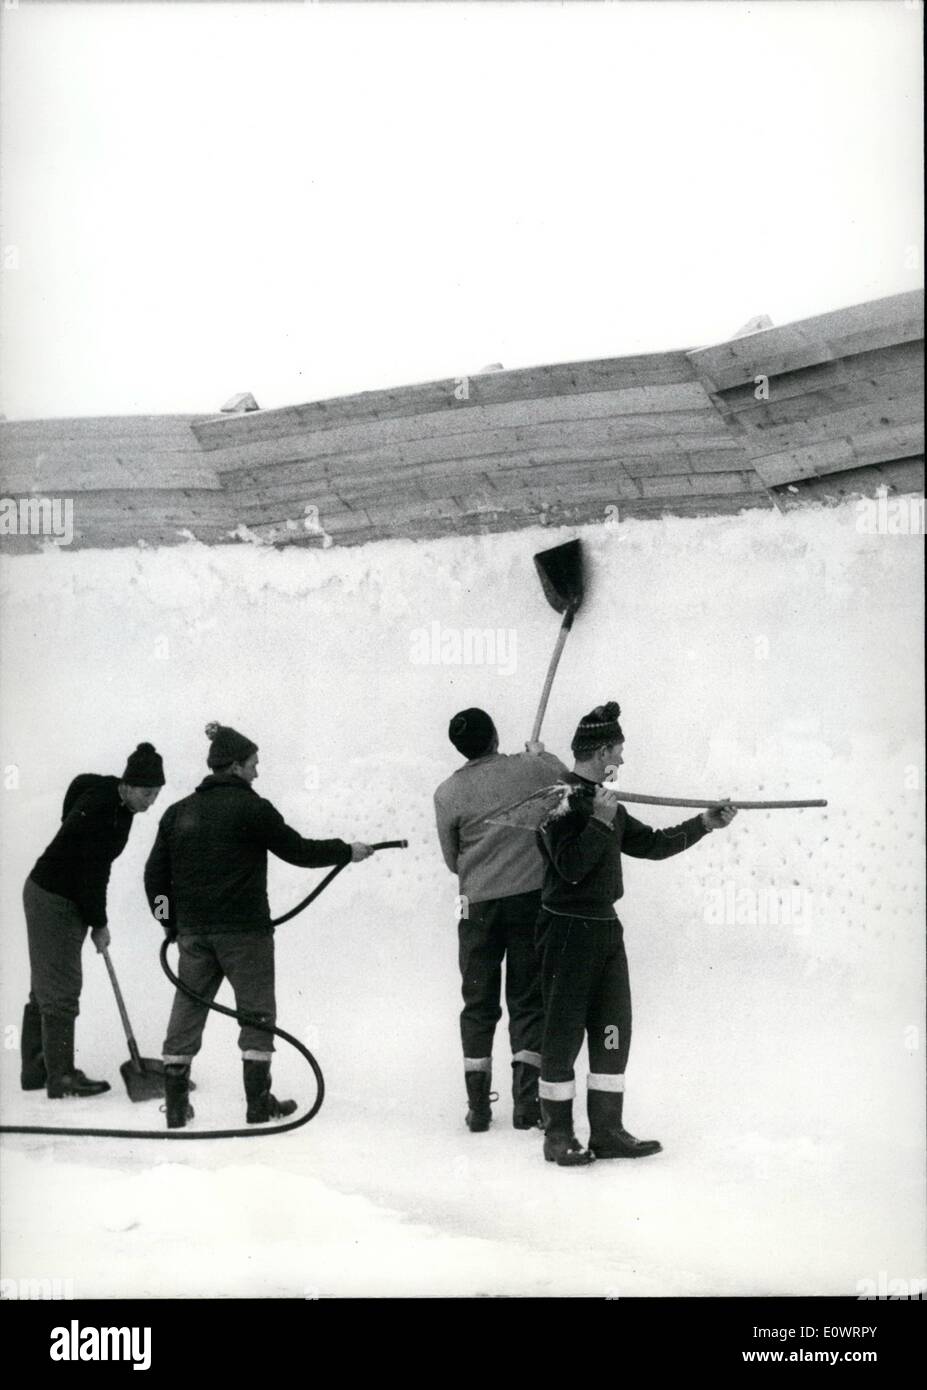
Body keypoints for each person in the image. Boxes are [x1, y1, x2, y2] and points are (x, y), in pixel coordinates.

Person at [535, 701, 737, 1166]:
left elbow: (652, 844)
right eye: (619, 752)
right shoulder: (558, 801)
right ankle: (558, 1136)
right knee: (563, 1034)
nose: (622, 762)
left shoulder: (605, 802)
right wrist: (600, 822)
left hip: (606, 929)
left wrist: (704, 823)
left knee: (612, 1030)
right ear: (602, 750)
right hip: (566, 930)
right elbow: (568, 870)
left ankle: (607, 1132)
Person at [144, 722, 373, 1129]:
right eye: (253, 764)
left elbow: (154, 878)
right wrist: (346, 851)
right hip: (245, 934)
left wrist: (169, 924)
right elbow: (298, 851)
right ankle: (257, 1104)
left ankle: (176, 1107)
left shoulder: (176, 813)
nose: (256, 772)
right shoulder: (252, 808)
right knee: (256, 1015)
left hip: (193, 935)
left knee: (187, 1010)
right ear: (233, 766)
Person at [434, 707, 567, 1132]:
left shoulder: (446, 793)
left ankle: (478, 1108)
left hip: (475, 906)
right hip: (530, 901)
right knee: (528, 999)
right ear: (495, 735)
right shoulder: (531, 769)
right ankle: (526, 1105)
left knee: (477, 1001)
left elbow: (452, 861)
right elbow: (565, 780)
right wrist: (540, 754)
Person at [21, 741, 166, 1098]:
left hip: (52, 892)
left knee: (46, 983)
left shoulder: (112, 796)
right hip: (56, 898)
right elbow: (93, 874)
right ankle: (62, 1077)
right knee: (62, 987)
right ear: (129, 785)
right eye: (147, 792)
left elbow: (79, 782)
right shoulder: (104, 811)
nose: (151, 801)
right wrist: (99, 925)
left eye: (157, 793)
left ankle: (37, 1067)